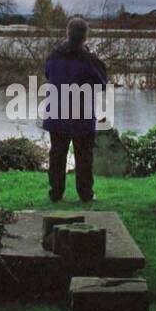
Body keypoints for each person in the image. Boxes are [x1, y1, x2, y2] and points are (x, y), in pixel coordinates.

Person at [42, 16, 108, 202]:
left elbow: (48, 73)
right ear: (85, 37)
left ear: (67, 33)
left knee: (57, 155)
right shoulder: (88, 59)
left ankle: (56, 193)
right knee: (84, 157)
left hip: (56, 113)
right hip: (81, 115)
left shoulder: (54, 55)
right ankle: (85, 194)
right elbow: (102, 82)